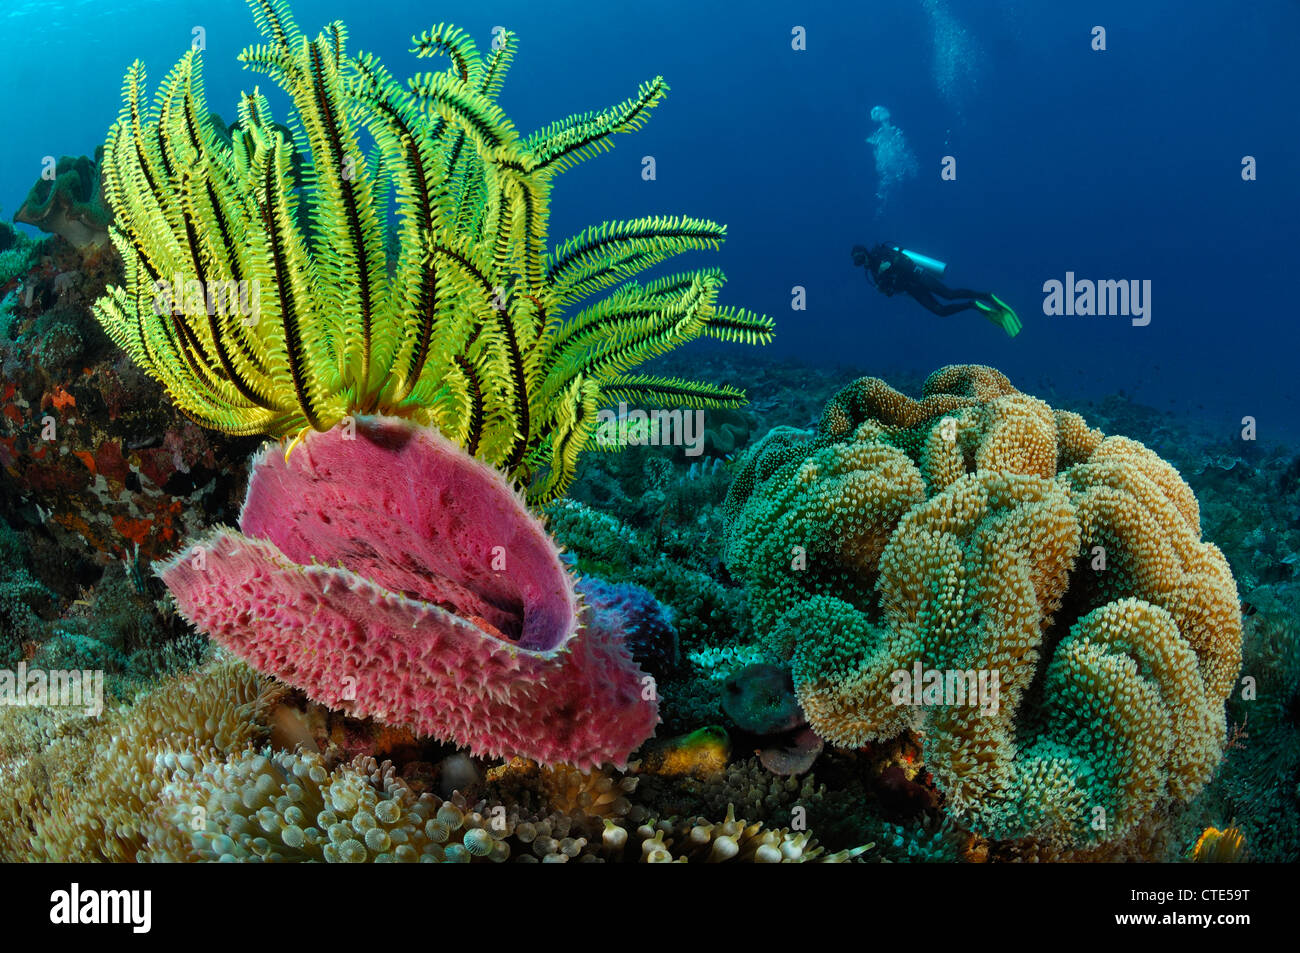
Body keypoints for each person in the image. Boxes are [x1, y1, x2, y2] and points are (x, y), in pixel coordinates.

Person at [852, 243, 1021, 336]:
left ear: (865, 253)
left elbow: (905, 262)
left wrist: (890, 265)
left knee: (949, 294)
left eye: (860, 258)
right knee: (940, 311)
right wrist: (883, 288)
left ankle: (987, 296)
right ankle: (973, 305)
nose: (861, 263)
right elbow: (891, 291)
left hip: (918, 276)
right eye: (857, 262)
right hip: (912, 290)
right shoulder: (873, 275)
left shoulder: (882, 253)